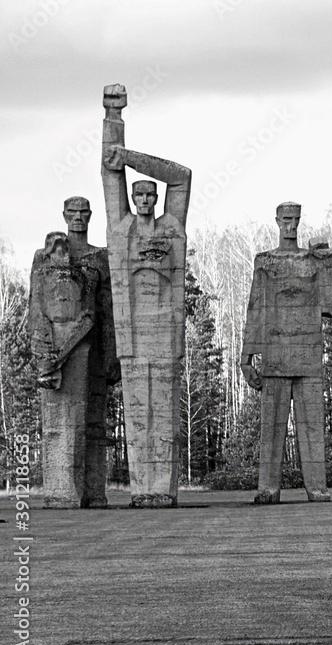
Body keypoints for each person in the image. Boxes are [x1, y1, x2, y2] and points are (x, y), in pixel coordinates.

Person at [101, 83, 192, 508]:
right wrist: (113, 118)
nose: (142, 199)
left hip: (166, 331)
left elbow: (182, 175)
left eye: (149, 194)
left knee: (166, 414)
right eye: (137, 194)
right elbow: (109, 172)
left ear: (156, 196)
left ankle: (163, 489)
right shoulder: (121, 229)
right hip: (134, 334)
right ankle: (142, 490)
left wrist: (131, 157)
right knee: (139, 413)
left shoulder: (172, 226)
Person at [241, 202, 332, 504]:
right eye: (286, 219)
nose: (291, 225)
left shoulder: (313, 261)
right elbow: (255, 308)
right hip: (275, 355)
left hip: (308, 356)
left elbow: (330, 307)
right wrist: (246, 357)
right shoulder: (265, 261)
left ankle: (317, 487)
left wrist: (328, 263)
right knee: (271, 431)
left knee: (313, 429)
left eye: (295, 219)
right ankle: (268, 488)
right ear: (276, 221)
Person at [29, 197, 118, 508]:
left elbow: (107, 309)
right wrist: (43, 351)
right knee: (58, 422)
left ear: (90, 215)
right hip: (57, 346)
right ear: (64, 215)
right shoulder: (43, 257)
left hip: (93, 348)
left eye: (83, 212)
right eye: (72, 212)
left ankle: (93, 492)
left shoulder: (100, 257)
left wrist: (112, 355)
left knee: (93, 422)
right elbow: (35, 305)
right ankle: (60, 490)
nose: (78, 217)